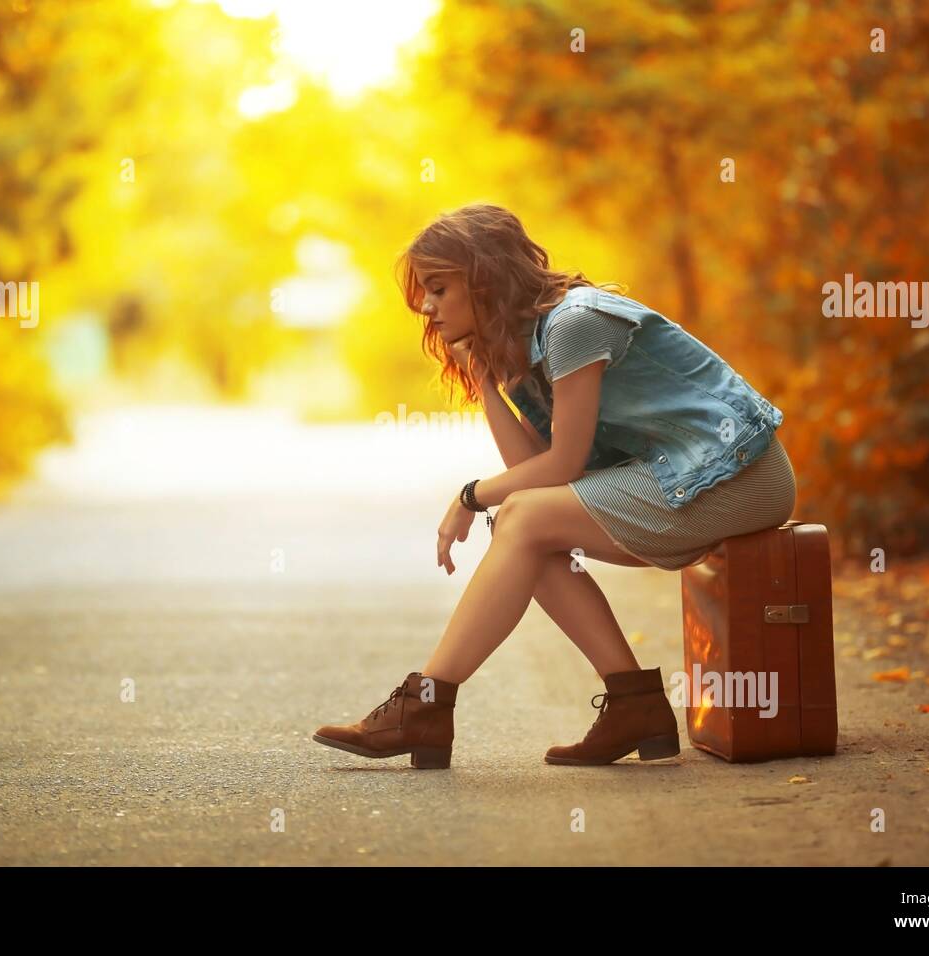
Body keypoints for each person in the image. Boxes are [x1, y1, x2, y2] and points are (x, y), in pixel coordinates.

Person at [313, 203, 797, 768]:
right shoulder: (530, 342)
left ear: (484, 277)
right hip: (678, 478)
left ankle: (423, 708)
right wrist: (483, 379)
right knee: (525, 526)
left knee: (521, 519)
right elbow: (534, 470)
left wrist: (467, 496)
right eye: (426, 292)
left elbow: (562, 466)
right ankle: (633, 702)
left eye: (440, 288)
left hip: (737, 473)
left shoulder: (574, 323)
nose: (428, 306)